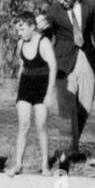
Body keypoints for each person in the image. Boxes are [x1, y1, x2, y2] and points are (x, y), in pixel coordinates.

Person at [37, 0, 95, 163]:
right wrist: (41, 28)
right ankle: (67, 152)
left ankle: (72, 146)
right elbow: (48, 34)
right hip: (63, 62)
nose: (61, 1)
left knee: (85, 106)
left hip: (85, 57)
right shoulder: (52, 10)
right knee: (66, 110)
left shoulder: (91, 6)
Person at [6, 11, 56, 176]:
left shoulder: (44, 42)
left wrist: (49, 93)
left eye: (22, 29)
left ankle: (45, 165)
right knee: (23, 125)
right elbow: (22, 67)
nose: (19, 33)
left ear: (32, 27)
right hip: (26, 86)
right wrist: (18, 89)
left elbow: (53, 67)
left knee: (41, 126)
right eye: (18, 30)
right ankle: (18, 164)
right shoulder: (21, 44)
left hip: (42, 86)